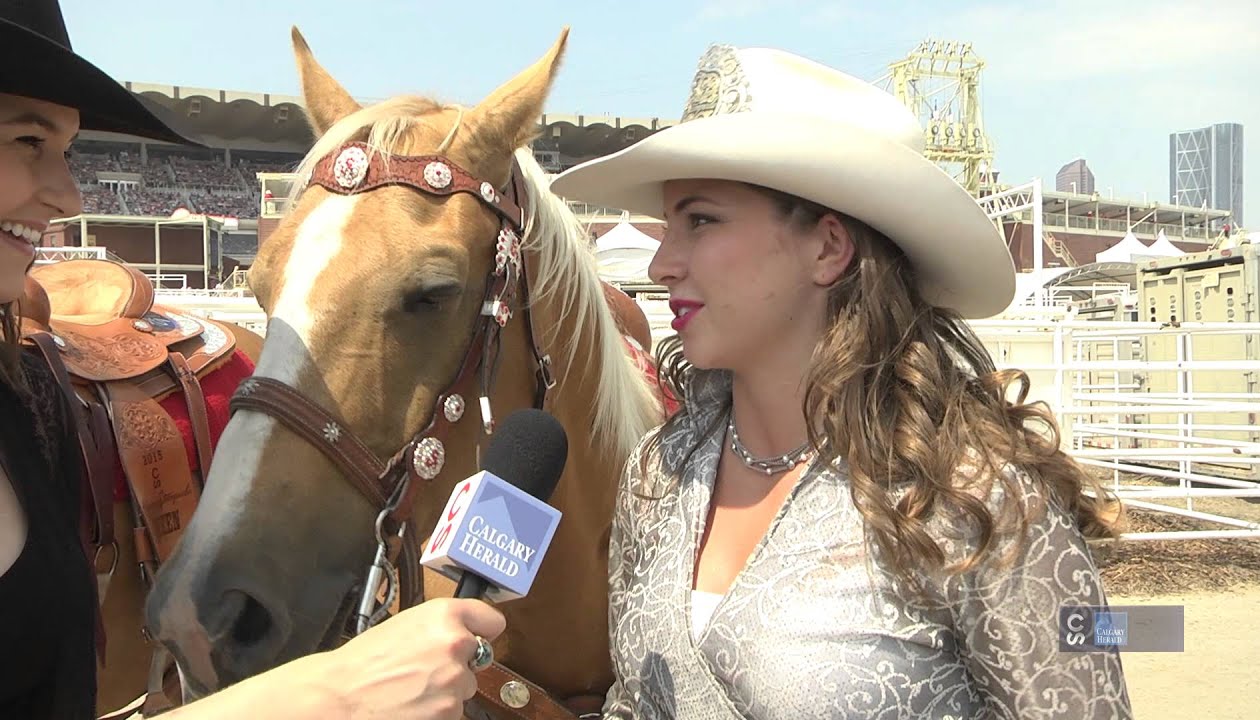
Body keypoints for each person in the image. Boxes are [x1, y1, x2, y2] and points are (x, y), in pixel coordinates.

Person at [550, 44, 1133, 719]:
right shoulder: (658, 475)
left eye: (701, 220)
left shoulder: (974, 499)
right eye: (667, 224)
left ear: (828, 248)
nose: (661, 263)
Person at [0, 1, 504, 718]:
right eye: (27, 139)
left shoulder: (26, 404)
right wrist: (329, 698)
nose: (69, 195)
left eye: (70, 151)